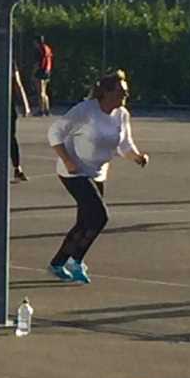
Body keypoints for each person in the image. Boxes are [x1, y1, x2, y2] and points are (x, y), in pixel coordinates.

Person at [46, 69, 149, 283]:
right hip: (74, 172)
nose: (125, 96)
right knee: (100, 216)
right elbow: (54, 133)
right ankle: (76, 260)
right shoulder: (85, 111)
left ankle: (57, 263)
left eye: (126, 92)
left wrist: (136, 157)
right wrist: (67, 160)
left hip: (97, 173)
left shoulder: (122, 114)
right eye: (121, 92)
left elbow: (124, 144)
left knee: (85, 222)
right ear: (106, 93)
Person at [32, 35, 54, 114]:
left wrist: (33, 73)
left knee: (40, 92)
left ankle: (41, 110)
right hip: (47, 71)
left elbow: (37, 63)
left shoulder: (39, 50)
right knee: (44, 92)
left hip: (41, 72)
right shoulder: (47, 48)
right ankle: (47, 109)